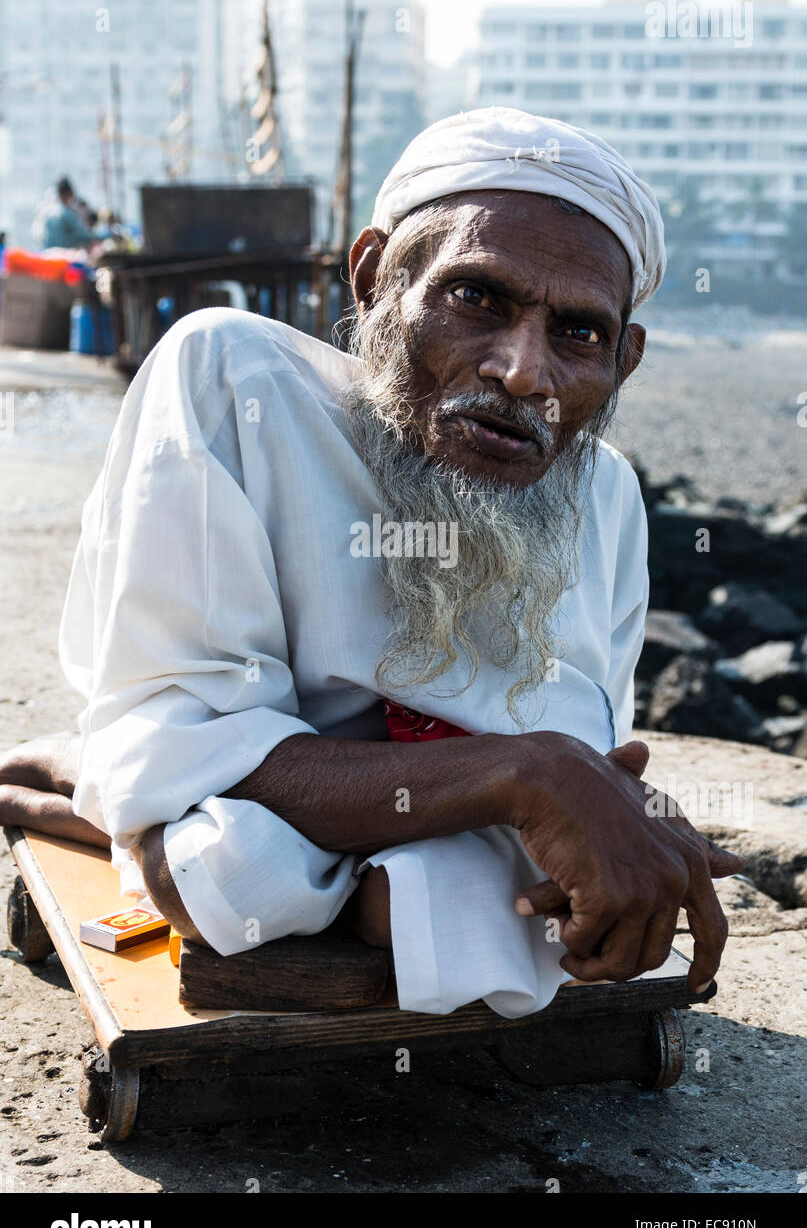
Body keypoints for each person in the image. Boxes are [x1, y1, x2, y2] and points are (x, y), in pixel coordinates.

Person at [0, 109, 741, 1017]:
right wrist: (531, 776)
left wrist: (581, 799)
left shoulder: (607, 496)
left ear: (623, 361)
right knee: (241, 868)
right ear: (374, 277)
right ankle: (110, 778)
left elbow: (584, 759)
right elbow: (198, 737)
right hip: (271, 787)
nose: (521, 372)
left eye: (578, 334)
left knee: (374, 881)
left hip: (413, 815)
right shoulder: (236, 380)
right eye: (477, 298)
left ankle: (96, 787)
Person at [34, 177, 96, 251]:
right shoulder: (68, 213)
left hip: (47, 253)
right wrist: (104, 236)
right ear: (69, 194)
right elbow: (81, 235)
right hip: (64, 256)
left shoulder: (48, 212)